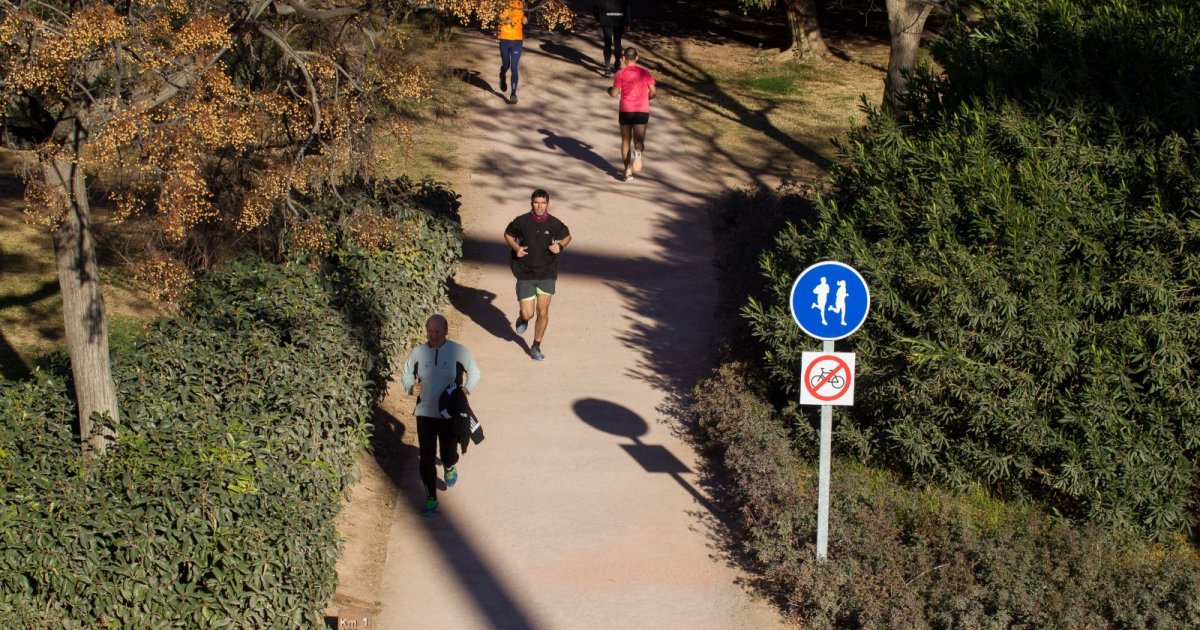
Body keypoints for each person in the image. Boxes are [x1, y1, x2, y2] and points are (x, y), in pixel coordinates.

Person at [401, 314, 482, 517]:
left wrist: (465, 391)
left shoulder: (457, 351)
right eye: (430, 331)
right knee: (426, 458)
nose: (433, 335)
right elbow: (406, 373)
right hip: (425, 413)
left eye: (437, 331)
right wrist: (410, 387)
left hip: (449, 413)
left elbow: (475, 372)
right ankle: (431, 498)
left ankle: (450, 465)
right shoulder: (418, 352)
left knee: (448, 453)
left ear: (446, 332)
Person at [504, 189, 572, 361]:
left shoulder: (554, 224)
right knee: (529, 314)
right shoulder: (522, 221)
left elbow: (567, 236)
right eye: (536, 203)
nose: (540, 206)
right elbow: (508, 234)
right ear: (531, 203)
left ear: (548, 204)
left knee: (542, 311)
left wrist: (560, 246)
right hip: (525, 272)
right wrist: (516, 248)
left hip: (547, 273)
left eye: (543, 203)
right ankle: (523, 319)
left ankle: (536, 345)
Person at [607, 47, 656, 181]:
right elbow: (653, 91)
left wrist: (608, 90)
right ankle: (638, 152)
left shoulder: (620, 73)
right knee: (639, 141)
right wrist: (646, 98)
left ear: (623, 58)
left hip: (626, 110)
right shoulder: (645, 73)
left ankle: (627, 170)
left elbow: (614, 93)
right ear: (637, 57)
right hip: (642, 110)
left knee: (626, 141)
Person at [497, 0, 526, 103]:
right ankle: (502, 74)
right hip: (505, 39)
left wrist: (524, 19)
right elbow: (499, 17)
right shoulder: (502, 3)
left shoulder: (520, 3)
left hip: (517, 41)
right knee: (506, 65)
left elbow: (521, 15)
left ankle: (513, 94)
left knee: (514, 67)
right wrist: (506, 18)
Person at [593, 0, 631, 77]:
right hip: (619, 19)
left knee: (607, 44)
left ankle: (607, 68)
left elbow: (596, 6)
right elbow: (626, 6)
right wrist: (628, 22)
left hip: (606, 19)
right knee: (617, 42)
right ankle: (617, 62)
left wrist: (599, 18)